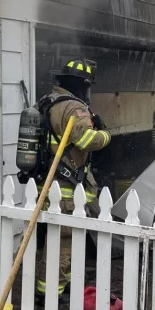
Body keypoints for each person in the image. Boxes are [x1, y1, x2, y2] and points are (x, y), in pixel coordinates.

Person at [33, 58, 111, 297]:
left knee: (52, 237)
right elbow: (87, 141)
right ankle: (49, 294)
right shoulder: (74, 108)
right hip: (65, 184)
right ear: (81, 85)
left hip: (46, 180)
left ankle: (54, 285)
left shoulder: (46, 101)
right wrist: (105, 135)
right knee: (63, 241)